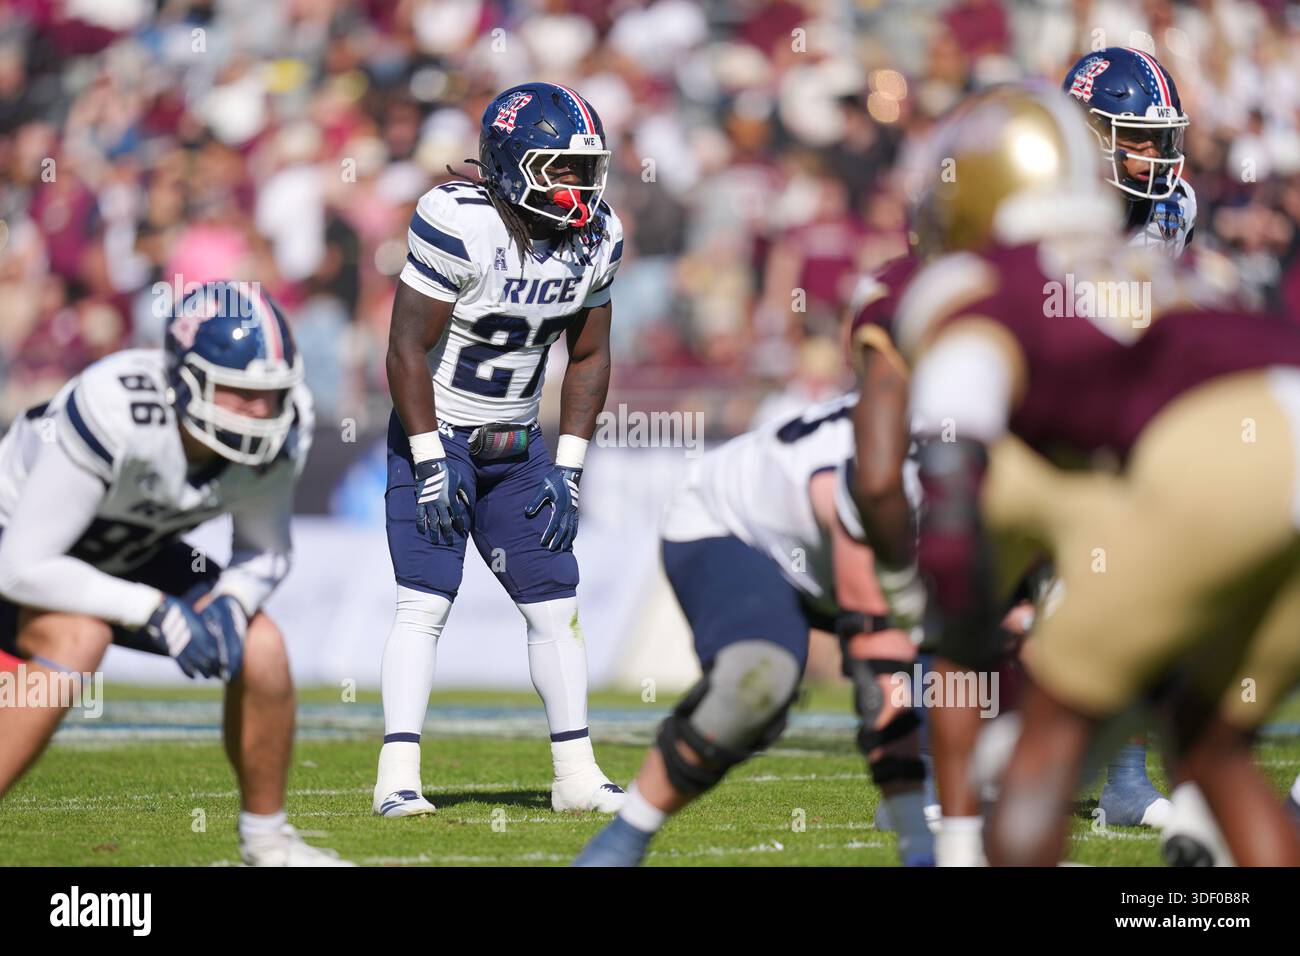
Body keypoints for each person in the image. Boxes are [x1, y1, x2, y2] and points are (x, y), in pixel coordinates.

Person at [0, 281, 349, 866]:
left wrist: (232, 602)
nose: (261, 413)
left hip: (119, 553)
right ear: (185, 379)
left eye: (271, 394)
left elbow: (266, 549)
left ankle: (268, 842)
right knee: (80, 637)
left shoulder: (284, 425)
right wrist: (157, 612)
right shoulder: (116, 407)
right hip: (18, 543)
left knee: (261, 646)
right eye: (240, 392)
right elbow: (23, 565)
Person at [374, 83, 627, 817]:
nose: (580, 187)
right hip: (441, 430)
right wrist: (426, 457)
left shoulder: (597, 235)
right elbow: (404, 349)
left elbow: (589, 356)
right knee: (423, 603)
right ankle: (397, 778)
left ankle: (576, 775)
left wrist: (571, 469)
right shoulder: (456, 219)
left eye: (587, 170)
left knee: (556, 606)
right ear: (515, 165)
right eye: (561, 169)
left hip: (519, 447)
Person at [574, 394, 933, 866]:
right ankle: (626, 837)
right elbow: (877, 657)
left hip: (829, 539)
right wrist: (917, 840)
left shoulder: (999, 464)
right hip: (732, 526)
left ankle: (952, 797)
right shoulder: (876, 477)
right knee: (758, 681)